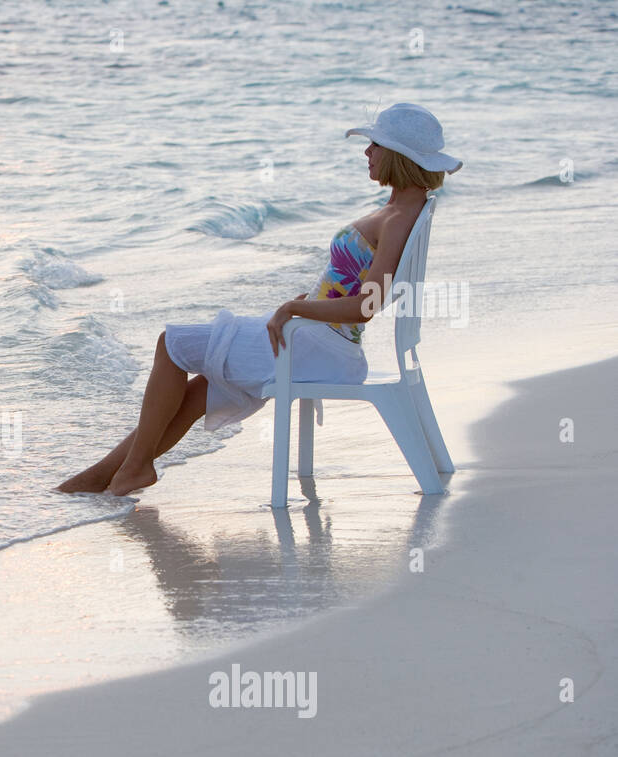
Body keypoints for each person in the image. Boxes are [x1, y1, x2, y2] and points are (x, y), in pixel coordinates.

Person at [57, 103, 462, 497]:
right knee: (199, 388)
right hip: (322, 343)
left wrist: (294, 308)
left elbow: (367, 307)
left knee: (171, 343)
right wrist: (312, 301)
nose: (367, 152)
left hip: (321, 348)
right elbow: (354, 287)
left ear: (398, 155)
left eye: (376, 145)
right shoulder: (403, 210)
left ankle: (133, 468)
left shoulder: (395, 219)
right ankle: (102, 478)